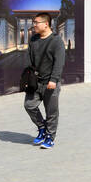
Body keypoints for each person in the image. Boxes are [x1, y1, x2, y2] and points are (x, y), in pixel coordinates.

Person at [25, 12, 66, 148]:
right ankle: (42, 128)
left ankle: (50, 137)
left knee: (51, 112)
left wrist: (53, 80)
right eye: (33, 23)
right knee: (29, 105)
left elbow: (59, 63)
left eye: (36, 23)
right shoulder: (33, 39)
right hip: (36, 82)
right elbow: (30, 59)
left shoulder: (56, 41)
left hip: (50, 82)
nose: (34, 25)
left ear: (46, 24)